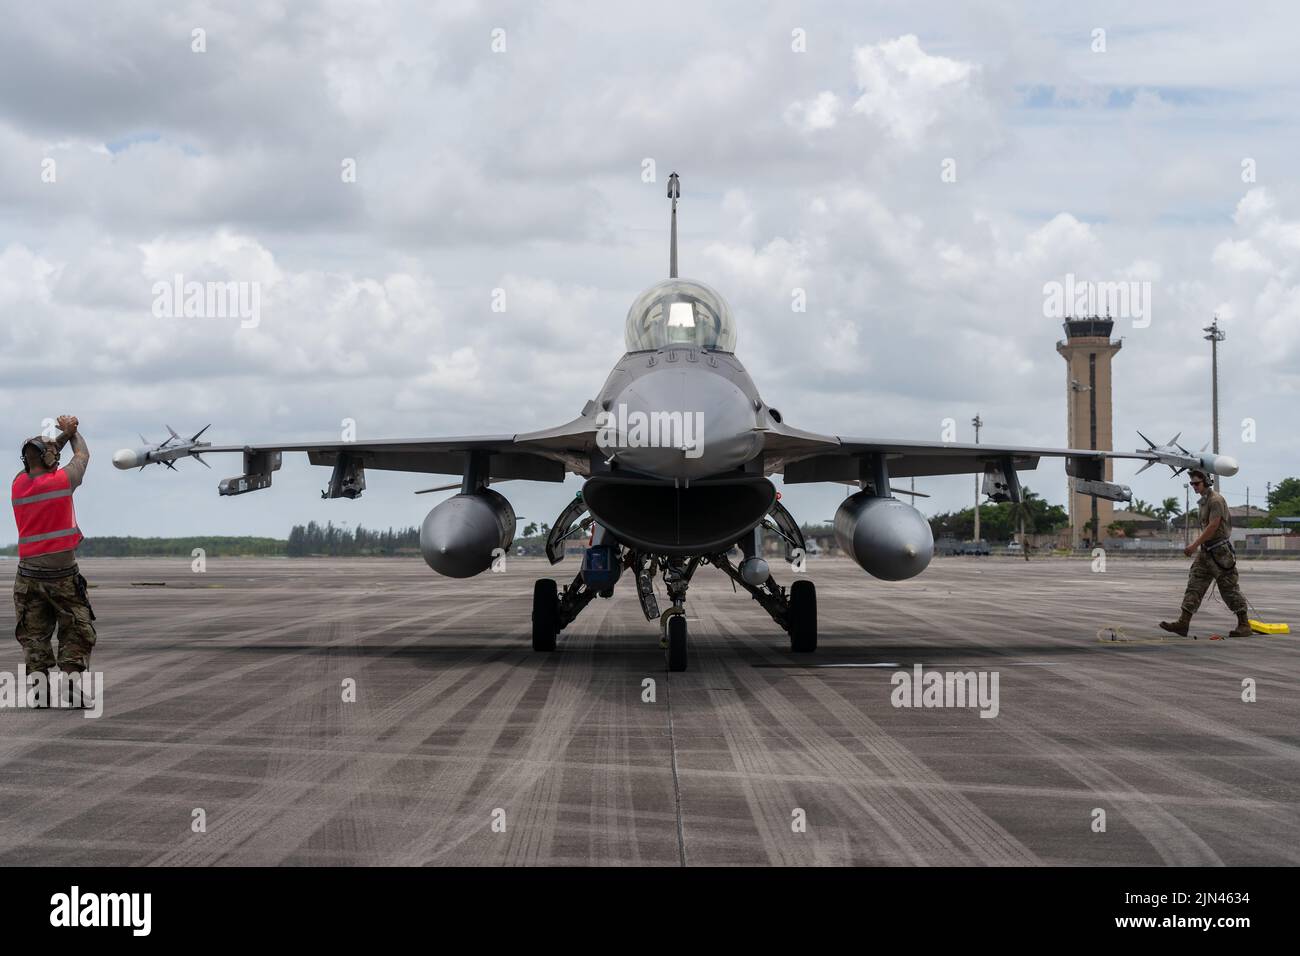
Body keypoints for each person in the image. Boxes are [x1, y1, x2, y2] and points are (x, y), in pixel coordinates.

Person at [11, 415, 95, 705]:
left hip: (28, 576)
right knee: (76, 629)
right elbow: (83, 455)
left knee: (34, 634)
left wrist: (53, 444)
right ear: (48, 459)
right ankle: (72, 688)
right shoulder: (61, 481)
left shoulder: (18, 484)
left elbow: (42, 458)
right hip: (62, 575)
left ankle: (40, 692)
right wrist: (72, 433)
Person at [1159, 469, 1252, 637]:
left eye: (1197, 483)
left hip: (1219, 552)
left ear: (1206, 482)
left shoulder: (1216, 500)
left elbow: (1213, 526)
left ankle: (1244, 624)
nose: (1194, 486)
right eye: (1192, 483)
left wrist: (1194, 545)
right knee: (1194, 585)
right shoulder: (1203, 502)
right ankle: (1183, 623)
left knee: (1229, 589)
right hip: (1206, 552)